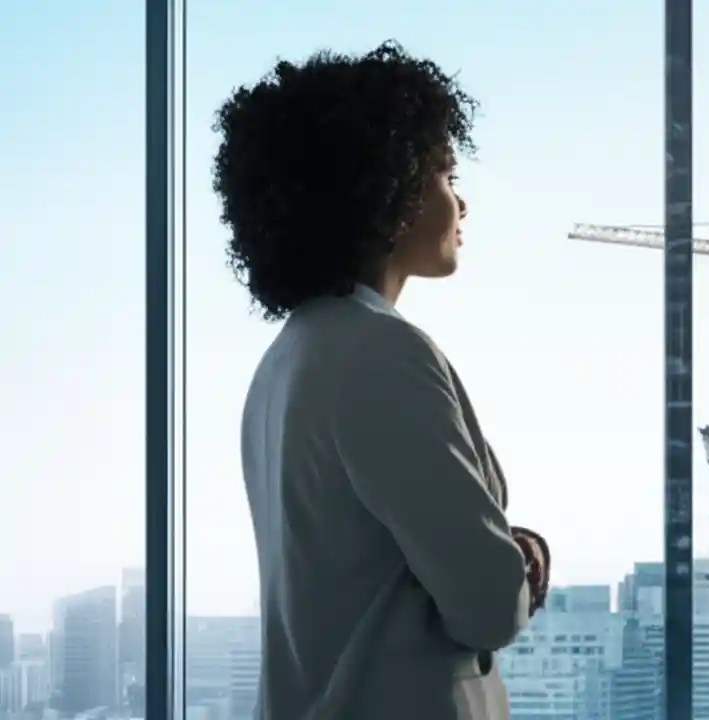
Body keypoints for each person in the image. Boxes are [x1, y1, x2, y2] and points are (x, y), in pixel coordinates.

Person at [212, 41, 550, 719]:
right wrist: (525, 556)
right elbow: (489, 606)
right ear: (389, 188)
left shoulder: (288, 360)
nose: (461, 202)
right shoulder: (381, 354)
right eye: (446, 174)